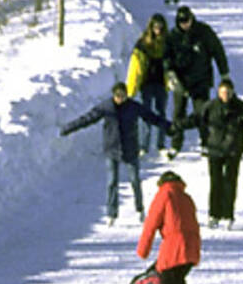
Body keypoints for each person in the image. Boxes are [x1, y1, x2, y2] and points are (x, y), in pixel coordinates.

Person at [60, 82, 171, 226]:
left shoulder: (133, 107)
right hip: (112, 149)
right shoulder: (106, 107)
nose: (120, 98)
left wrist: (169, 126)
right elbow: (87, 119)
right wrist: (68, 128)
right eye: (118, 96)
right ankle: (111, 213)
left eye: (123, 96)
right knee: (112, 182)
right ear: (113, 95)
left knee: (135, 180)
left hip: (130, 149)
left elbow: (151, 117)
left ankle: (140, 209)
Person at [173, 78, 243, 229]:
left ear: (232, 92)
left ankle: (228, 215)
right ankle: (214, 214)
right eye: (223, 92)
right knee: (215, 182)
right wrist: (177, 125)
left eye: (228, 92)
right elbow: (196, 119)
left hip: (233, 150)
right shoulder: (211, 107)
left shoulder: (240, 108)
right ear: (219, 92)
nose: (226, 95)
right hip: (215, 149)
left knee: (230, 183)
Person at [139, 171, 202, 284]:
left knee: (167, 279)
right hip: (191, 245)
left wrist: (143, 250)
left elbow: (151, 224)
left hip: (174, 244)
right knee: (179, 279)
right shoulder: (187, 198)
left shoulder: (164, 195)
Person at [164, 6, 230, 157]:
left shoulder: (203, 32)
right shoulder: (173, 36)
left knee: (203, 113)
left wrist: (224, 72)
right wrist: (170, 74)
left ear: (192, 18)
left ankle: (206, 143)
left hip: (201, 80)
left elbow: (217, 51)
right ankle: (176, 144)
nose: (185, 24)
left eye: (187, 21)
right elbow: (166, 58)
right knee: (178, 113)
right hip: (180, 81)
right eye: (181, 21)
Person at [127, 14, 171, 157]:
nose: (158, 29)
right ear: (151, 27)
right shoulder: (142, 44)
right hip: (146, 83)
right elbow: (135, 67)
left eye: (160, 27)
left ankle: (161, 144)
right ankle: (144, 146)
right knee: (147, 114)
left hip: (161, 83)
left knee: (161, 113)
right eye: (155, 26)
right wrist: (131, 89)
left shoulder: (168, 44)